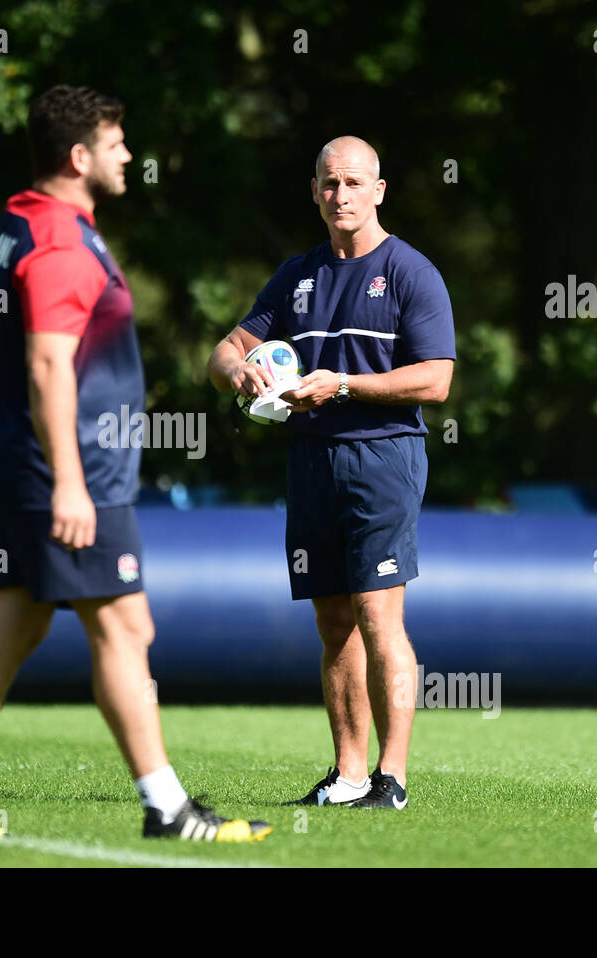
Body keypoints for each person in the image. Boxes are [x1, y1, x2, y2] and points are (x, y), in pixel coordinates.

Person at [0, 86, 269, 842]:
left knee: (10, 631)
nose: (129, 157)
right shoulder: (59, 246)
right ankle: (167, 807)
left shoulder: (24, 223)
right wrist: (71, 483)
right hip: (65, 476)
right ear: (78, 158)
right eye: (117, 145)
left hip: (29, 469)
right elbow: (49, 368)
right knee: (124, 629)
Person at [208, 137, 456, 809]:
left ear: (379, 190)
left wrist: (343, 384)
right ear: (314, 191)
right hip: (311, 459)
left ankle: (392, 778)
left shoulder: (411, 272)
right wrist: (242, 372)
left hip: (382, 456)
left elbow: (436, 381)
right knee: (332, 622)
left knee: (379, 615)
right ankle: (347, 777)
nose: (340, 194)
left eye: (352, 182)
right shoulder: (297, 275)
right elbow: (226, 349)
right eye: (328, 183)